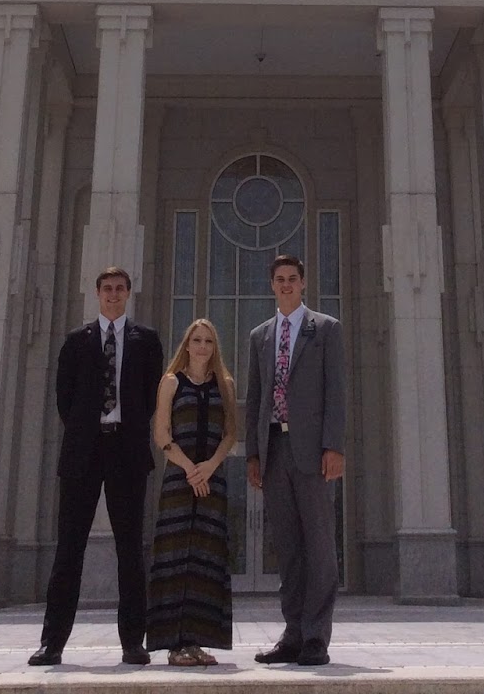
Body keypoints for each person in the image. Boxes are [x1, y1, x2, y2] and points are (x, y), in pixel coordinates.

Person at [29, 266, 164, 668]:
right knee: (69, 549)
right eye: (107, 288)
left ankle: (132, 643)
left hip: (127, 452)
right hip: (83, 454)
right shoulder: (76, 342)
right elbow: (64, 399)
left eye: (120, 288)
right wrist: (91, 427)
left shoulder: (146, 341)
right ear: (97, 293)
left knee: (130, 551)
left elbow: (150, 394)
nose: (113, 294)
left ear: (128, 294)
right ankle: (52, 643)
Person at [245, 254, 345, 667]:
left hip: (312, 452)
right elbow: (256, 398)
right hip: (274, 450)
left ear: (303, 283)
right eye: (279, 279)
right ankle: (292, 634)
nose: (286, 285)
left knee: (319, 546)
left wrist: (334, 446)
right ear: (271, 285)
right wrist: (252, 453)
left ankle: (316, 638)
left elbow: (335, 393)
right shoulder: (260, 336)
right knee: (287, 548)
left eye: (292, 278)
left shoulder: (324, 329)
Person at [146, 319, 236, 665]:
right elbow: (162, 435)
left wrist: (209, 467)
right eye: (196, 340)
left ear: (215, 348)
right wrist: (190, 469)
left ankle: (197, 643)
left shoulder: (225, 384)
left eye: (209, 341)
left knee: (205, 560)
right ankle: (175, 645)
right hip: (179, 482)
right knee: (176, 559)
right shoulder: (170, 382)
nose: (202, 346)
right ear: (186, 344)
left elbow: (230, 434)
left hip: (212, 481)